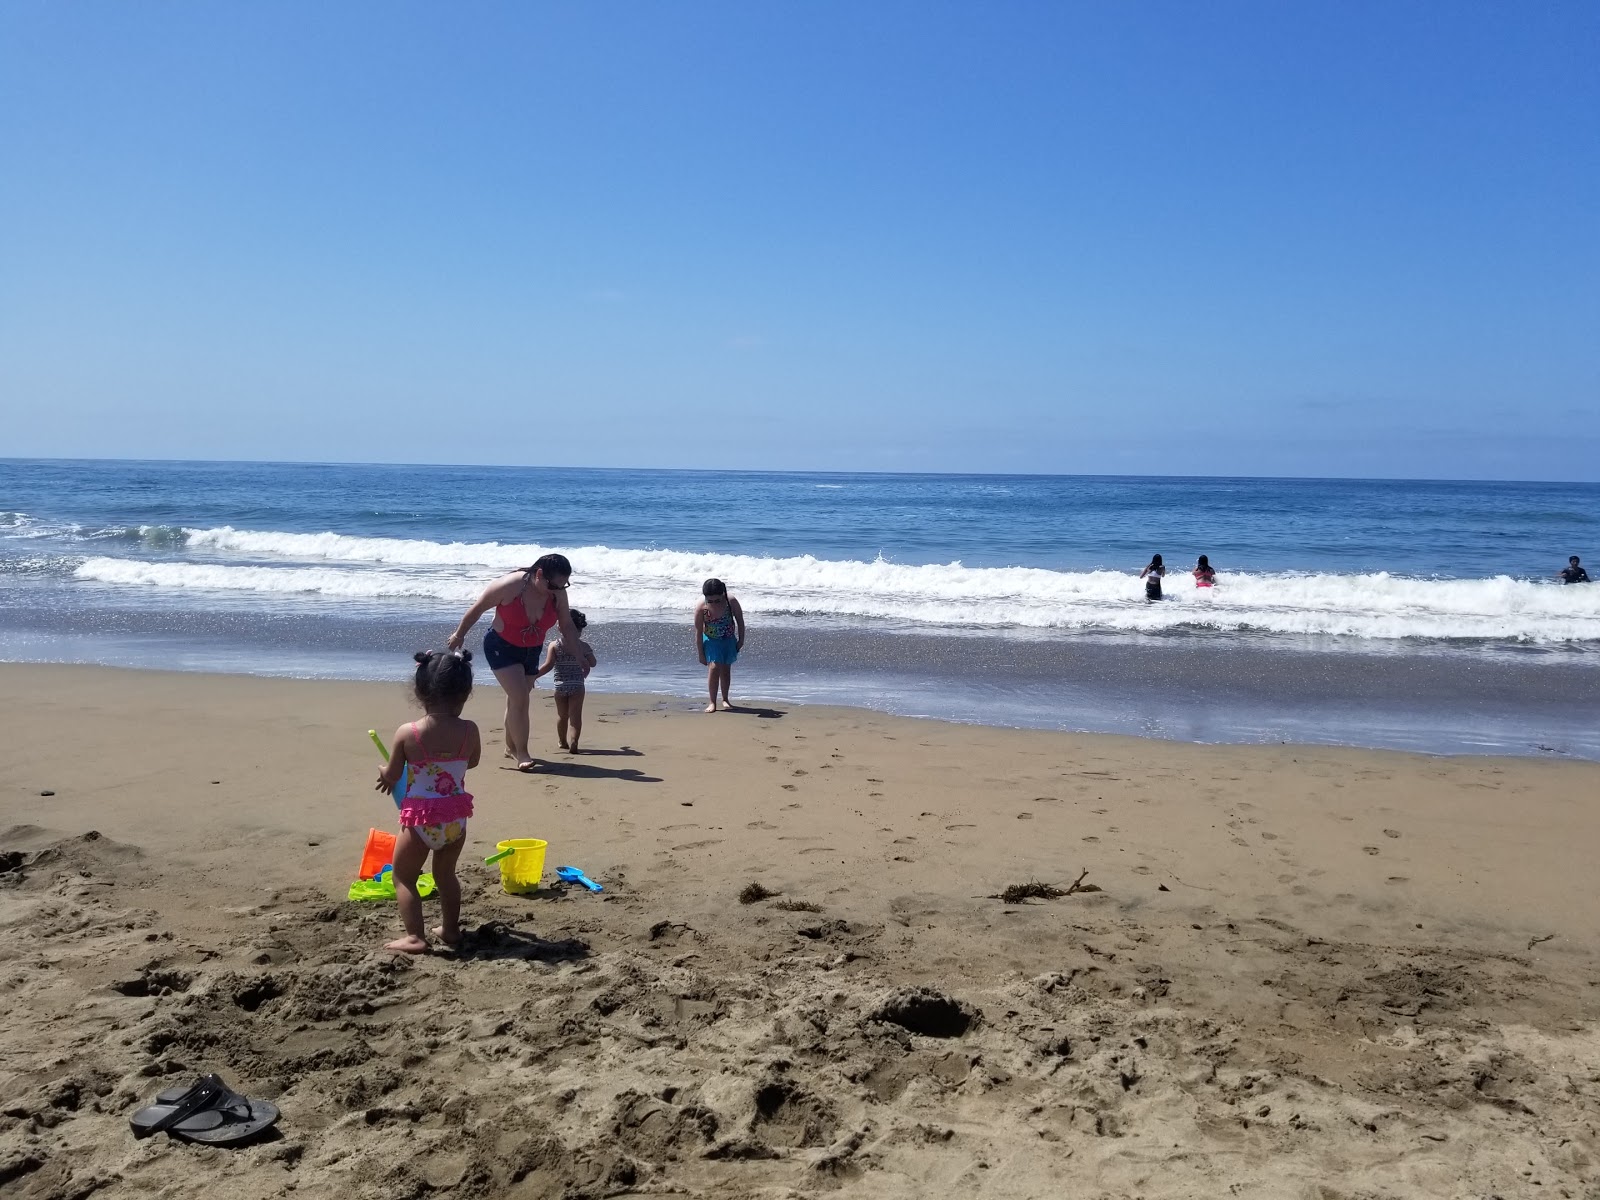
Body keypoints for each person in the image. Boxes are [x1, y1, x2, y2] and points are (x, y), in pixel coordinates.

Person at [374, 650, 481, 955]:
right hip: (456, 817)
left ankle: (415, 937)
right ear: (466, 693)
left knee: (404, 875)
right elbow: (471, 762)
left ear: (420, 692)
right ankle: (450, 930)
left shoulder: (408, 733)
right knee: (445, 875)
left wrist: (385, 773)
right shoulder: (469, 730)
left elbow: (394, 774)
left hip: (421, 819)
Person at [448, 553, 584, 771]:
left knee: (517, 698)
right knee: (520, 697)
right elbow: (478, 608)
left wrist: (578, 654)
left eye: (563, 585)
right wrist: (460, 634)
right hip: (501, 647)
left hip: (532, 650)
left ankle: (511, 747)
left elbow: (567, 624)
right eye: (554, 585)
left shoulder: (558, 594)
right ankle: (522, 753)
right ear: (539, 574)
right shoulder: (509, 586)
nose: (558, 590)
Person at [534, 609, 598, 752]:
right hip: (577, 686)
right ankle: (574, 742)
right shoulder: (583, 646)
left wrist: (534, 676)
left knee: (562, 716)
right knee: (575, 717)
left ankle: (562, 742)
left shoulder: (555, 645)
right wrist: (586, 657)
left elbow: (548, 666)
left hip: (560, 686)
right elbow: (593, 663)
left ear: (560, 627)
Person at [694, 578, 745, 712]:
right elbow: (698, 631)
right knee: (714, 667)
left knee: (725, 669)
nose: (714, 603)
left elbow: (740, 621)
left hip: (728, 640)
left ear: (723, 594)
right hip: (711, 640)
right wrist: (700, 653)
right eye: (710, 601)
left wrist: (741, 640)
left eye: (717, 600)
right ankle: (712, 702)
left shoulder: (730, 601)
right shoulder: (702, 607)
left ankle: (725, 699)